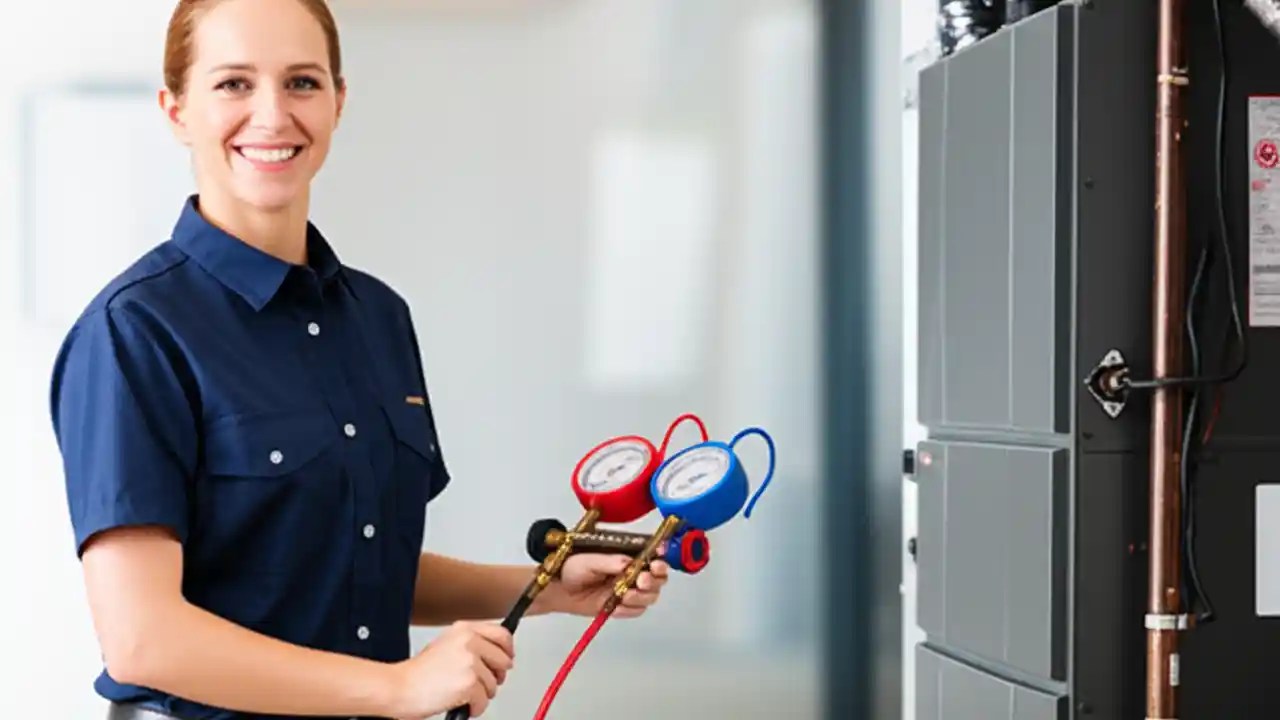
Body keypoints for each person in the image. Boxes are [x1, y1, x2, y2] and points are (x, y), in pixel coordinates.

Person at [47, 1, 670, 718]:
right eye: (234, 84)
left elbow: (348, 569)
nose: (274, 115)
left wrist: (545, 586)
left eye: (303, 82)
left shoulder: (378, 318)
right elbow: (143, 641)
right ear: (176, 109)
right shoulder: (134, 332)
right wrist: (399, 687)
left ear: (339, 103)